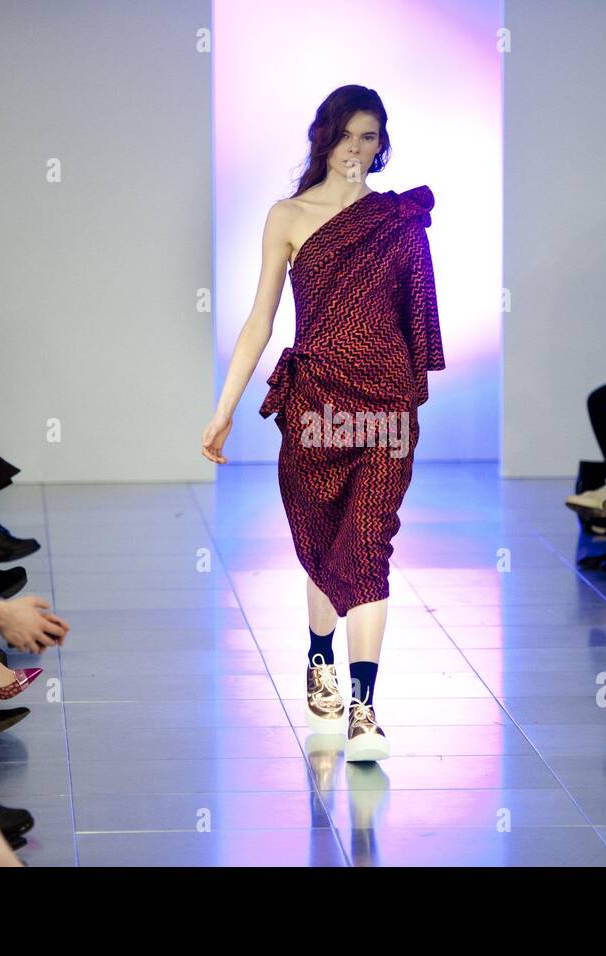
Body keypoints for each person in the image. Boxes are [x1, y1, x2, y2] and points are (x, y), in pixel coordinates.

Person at [200, 85, 444, 762]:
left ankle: (365, 707)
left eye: (370, 137)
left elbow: (414, 314)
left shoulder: (396, 220)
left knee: (368, 543)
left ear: (382, 142)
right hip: (316, 405)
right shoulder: (287, 216)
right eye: (347, 135)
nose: (358, 149)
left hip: (386, 403)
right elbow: (260, 318)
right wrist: (223, 410)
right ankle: (318, 654)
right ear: (324, 138)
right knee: (327, 532)